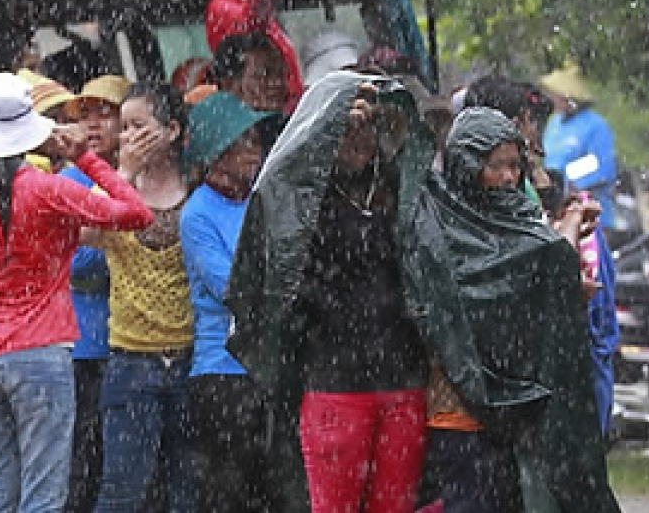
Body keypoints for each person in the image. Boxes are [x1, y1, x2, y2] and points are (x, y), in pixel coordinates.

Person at [0, 73, 153, 513]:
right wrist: (87, 159)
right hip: (41, 352)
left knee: (0, 492)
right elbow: (136, 213)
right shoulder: (49, 189)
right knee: (44, 495)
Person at [225, 73, 436, 513]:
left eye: (368, 128)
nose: (359, 139)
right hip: (334, 385)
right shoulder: (300, 202)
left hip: (403, 383)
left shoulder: (400, 191)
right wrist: (327, 125)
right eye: (347, 128)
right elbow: (279, 185)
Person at [403, 106, 619, 513]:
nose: (507, 177)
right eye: (495, 165)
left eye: (514, 165)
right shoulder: (436, 227)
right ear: (467, 165)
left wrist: (565, 243)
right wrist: (567, 232)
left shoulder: (519, 221)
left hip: (517, 414)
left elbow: (544, 285)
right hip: (460, 411)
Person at [463, 75, 619, 434]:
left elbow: (601, 168)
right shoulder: (501, 190)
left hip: (584, 222)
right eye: (530, 118)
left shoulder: (590, 128)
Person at [90, 83, 195, 513]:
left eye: (139, 126)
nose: (129, 136)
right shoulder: (116, 188)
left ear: (171, 130)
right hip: (132, 362)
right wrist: (124, 172)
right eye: (125, 128)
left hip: (191, 357)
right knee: (122, 490)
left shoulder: (197, 185)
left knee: (188, 488)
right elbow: (84, 228)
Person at [180, 92, 276, 512]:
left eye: (257, 141)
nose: (255, 152)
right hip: (223, 369)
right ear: (219, 153)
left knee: (267, 485)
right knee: (229, 488)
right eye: (246, 143)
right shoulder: (198, 213)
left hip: (266, 365)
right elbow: (228, 286)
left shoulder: (262, 199)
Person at [59, 73, 129, 513]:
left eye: (106, 113)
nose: (93, 125)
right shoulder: (68, 179)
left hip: (134, 342)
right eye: (85, 115)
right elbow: (74, 263)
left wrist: (97, 237)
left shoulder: (149, 175)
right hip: (82, 346)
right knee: (82, 465)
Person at [541, 64, 620, 231]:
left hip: (590, 215)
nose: (553, 98)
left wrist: (571, 182)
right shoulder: (554, 124)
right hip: (557, 214)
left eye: (557, 94)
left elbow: (604, 168)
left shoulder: (595, 125)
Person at [212, 33, 290, 114]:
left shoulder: (297, 119)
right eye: (263, 74)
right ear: (229, 84)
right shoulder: (214, 122)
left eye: (281, 73)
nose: (277, 83)